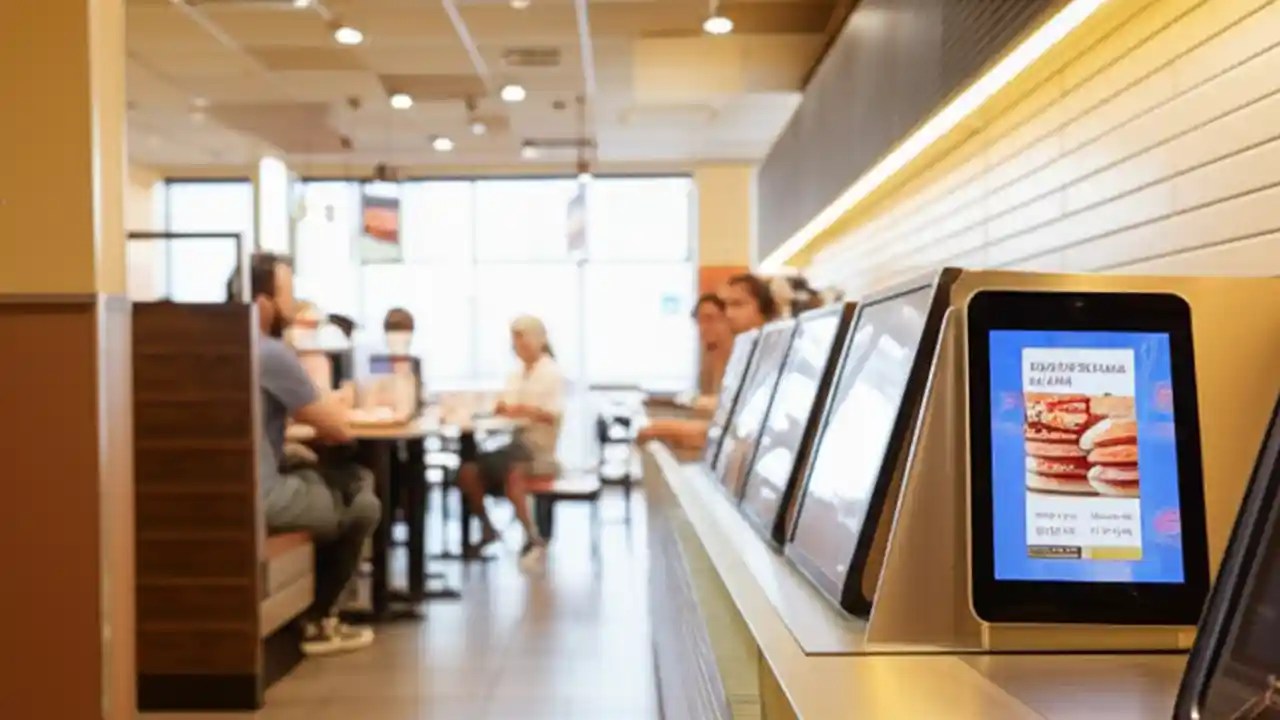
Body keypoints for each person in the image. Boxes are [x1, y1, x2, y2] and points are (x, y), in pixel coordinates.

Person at [239, 253, 382, 657]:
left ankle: (316, 610)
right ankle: (321, 619)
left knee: (314, 469)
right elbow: (336, 428)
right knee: (362, 493)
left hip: (224, 484)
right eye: (289, 294)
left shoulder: (218, 347)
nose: (296, 304)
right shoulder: (270, 352)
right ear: (265, 303)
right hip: (262, 498)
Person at [457, 315, 565, 568]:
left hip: (538, 450)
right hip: (513, 443)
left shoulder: (551, 372)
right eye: (515, 339)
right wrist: (510, 409)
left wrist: (519, 410)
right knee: (467, 472)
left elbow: (549, 413)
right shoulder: (516, 373)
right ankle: (487, 528)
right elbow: (504, 407)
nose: (519, 344)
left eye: (524, 338)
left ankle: (532, 536)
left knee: (513, 471)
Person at [693, 293, 734, 398]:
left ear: (728, 319)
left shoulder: (742, 355)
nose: (703, 326)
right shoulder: (708, 354)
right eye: (699, 320)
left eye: (709, 318)